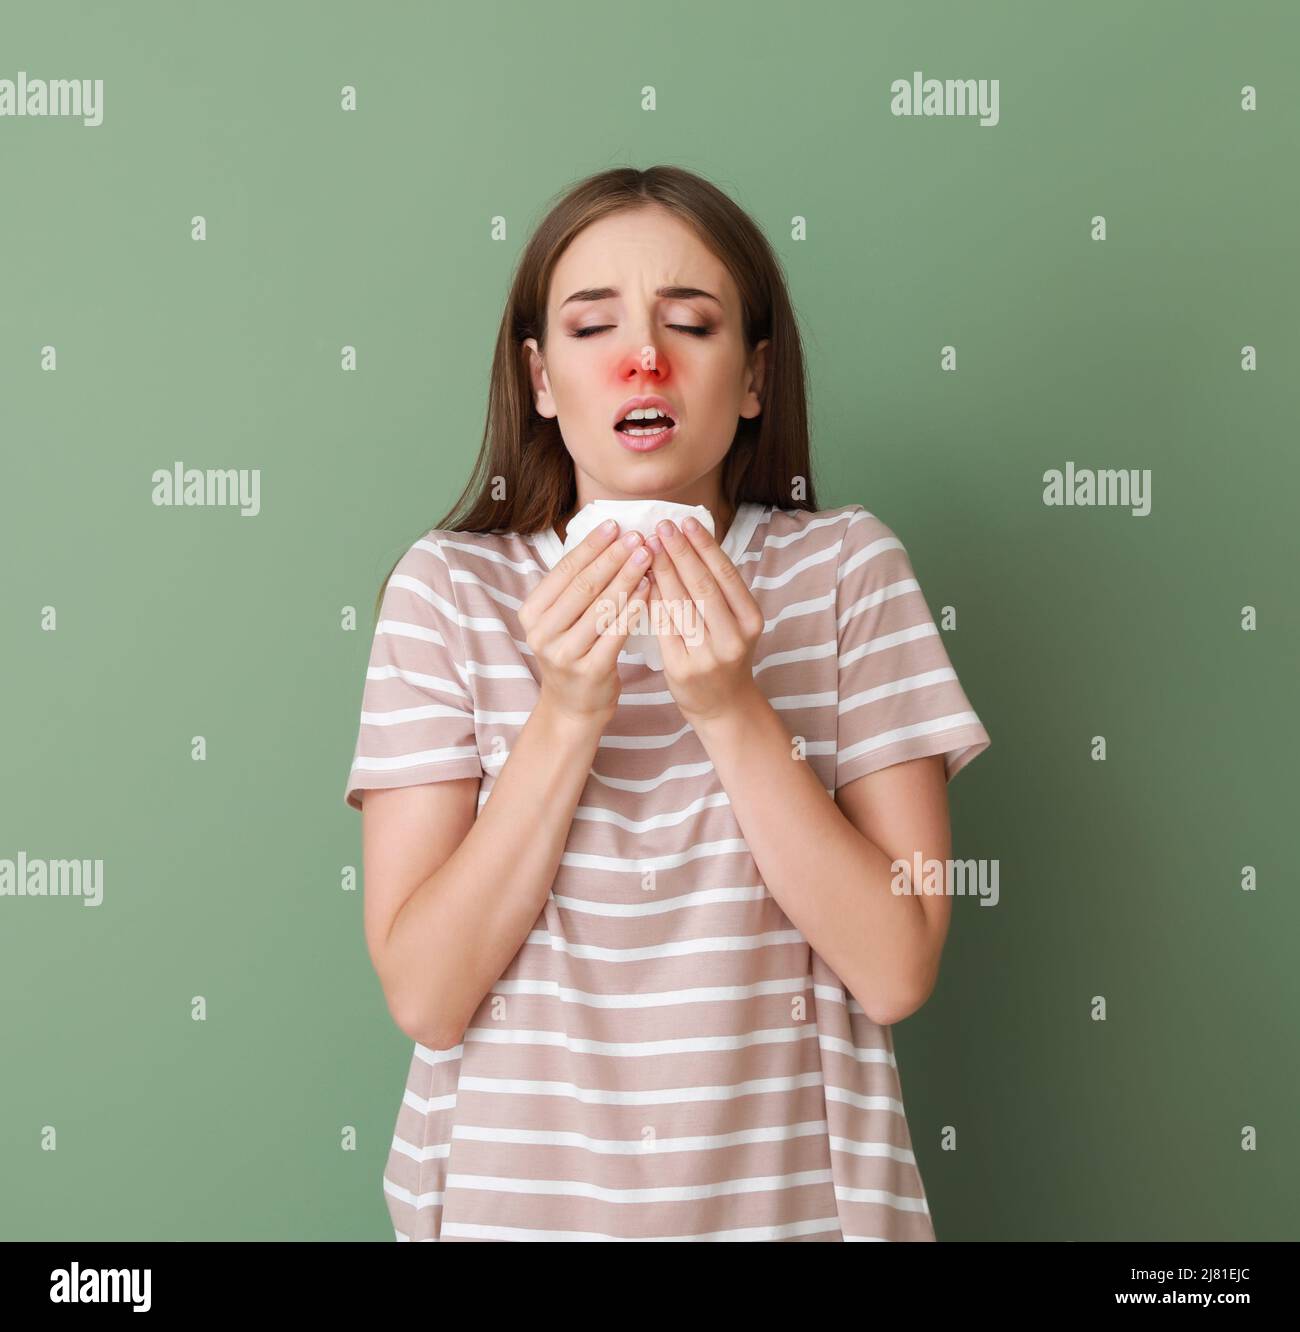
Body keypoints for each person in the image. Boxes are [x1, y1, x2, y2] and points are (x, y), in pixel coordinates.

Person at [343, 165, 991, 1241]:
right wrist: (562, 716)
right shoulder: (447, 592)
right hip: (513, 1213)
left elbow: (895, 967)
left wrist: (733, 710)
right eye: (593, 329)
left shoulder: (846, 572)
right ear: (541, 380)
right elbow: (427, 996)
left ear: (752, 379)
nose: (644, 360)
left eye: (690, 322)